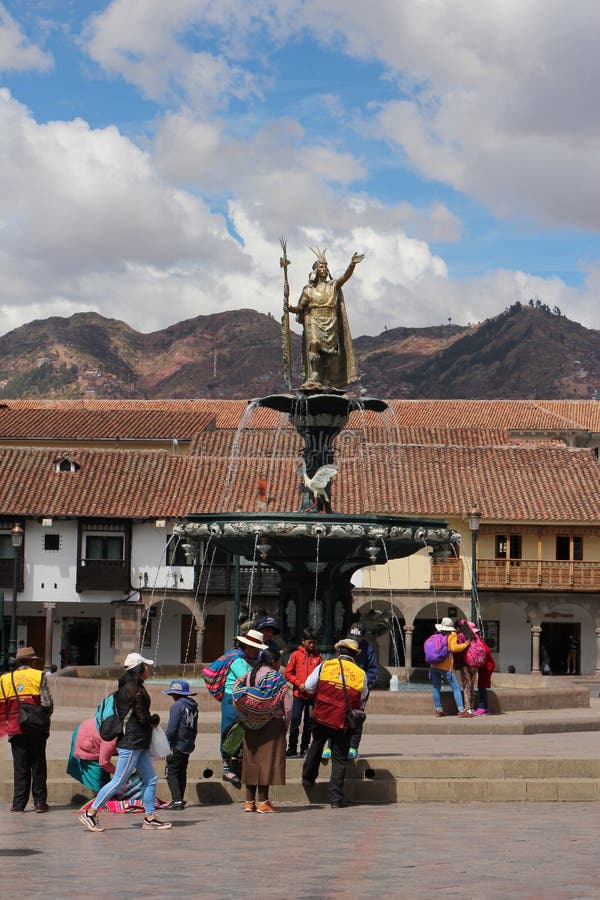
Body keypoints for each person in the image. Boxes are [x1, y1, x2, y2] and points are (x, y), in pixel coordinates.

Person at [79, 652, 171, 832]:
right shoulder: (133, 690)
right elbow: (142, 717)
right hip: (131, 742)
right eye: (146, 666)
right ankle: (90, 813)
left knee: (151, 779)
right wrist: (155, 718)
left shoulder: (130, 686)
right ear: (139, 669)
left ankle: (150, 817)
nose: (148, 668)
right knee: (119, 781)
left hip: (139, 742)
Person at [301, 637, 368, 809]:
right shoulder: (361, 674)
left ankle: (308, 779)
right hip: (343, 721)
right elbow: (362, 698)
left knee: (316, 745)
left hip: (321, 716)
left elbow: (308, 686)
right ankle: (335, 799)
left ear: (338, 652)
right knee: (339, 759)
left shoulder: (325, 665)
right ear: (355, 655)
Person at [287, 248, 362, 390]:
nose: (324, 269)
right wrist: (289, 308)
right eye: (321, 266)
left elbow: (345, 277)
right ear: (315, 270)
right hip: (313, 319)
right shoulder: (308, 289)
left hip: (330, 320)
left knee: (328, 352)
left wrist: (352, 264)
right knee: (314, 343)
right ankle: (314, 374)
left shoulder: (332, 285)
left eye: (326, 267)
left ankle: (326, 378)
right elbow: (300, 308)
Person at [0, 645, 53, 813]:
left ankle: (18, 804)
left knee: (20, 767)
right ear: (32, 661)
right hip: (36, 727)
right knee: (38, 764)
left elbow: (2, 708)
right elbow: (47, 703)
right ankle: (39, 803)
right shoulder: (39, 675)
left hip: (16, 727)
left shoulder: (5, 679)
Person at [241, 648, 292, 813]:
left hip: (250, 723)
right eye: (279, 661)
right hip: (272, 723)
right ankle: (263, 802)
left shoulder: (250, 675)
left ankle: (249, 802)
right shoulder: (277, 677)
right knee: (267, 762)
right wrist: (285, 725)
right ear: (274, 662)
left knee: (251, 760)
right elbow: (288, 707)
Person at [221, 629, 267, 785]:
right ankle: (226, 769)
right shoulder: (237, 660)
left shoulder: (249, 661)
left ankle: (239, 765)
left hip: (243, 699)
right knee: (229, 730)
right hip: (231, 699)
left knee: (241, 732)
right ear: (247, 647)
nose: (257, 652)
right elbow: (249, 680)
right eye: (255, 648)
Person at [67, 717, 145, 804]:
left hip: (93, 733)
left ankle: (99, 802)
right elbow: (103, 762)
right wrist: (119, 774)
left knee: (104, 780)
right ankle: (96, 805)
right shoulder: (111, 739)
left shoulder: (126, 734)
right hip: (86, 738)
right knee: (98, 780)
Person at [284, 629, 322, 758]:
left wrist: (315, 689)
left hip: (311, 696)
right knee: (295, 720)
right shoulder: (295, 655)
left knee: (309, 722)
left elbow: (320, 676)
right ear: (303, 641)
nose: (312, 645)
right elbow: (288, 673)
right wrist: (298, 684)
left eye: (314, 643)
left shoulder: (318, 658)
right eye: (309, 642)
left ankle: (305, 747)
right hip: (298, 695)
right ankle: (292, 748)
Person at [163, 678, 198, 809]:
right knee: (182, 772)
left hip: (177, 745)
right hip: (187, 745)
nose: (172, 696)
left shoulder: (177, 706)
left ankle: (176, 800)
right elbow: (195, 729)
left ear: (176, 694)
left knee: (170, 772)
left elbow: (172, 729)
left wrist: (166, 744)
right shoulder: (193, 706)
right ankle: (180, 799)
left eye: (172, 694)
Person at [346, 622, 378, 759]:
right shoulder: (343, 645)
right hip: (344, 686)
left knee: (357, 717)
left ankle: (353, 746)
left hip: (359, 688)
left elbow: (373, 670)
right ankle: (332, 745)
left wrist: (363, 683)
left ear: (363, 637)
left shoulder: (368, 648)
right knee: (337, 715)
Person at [428, 618, 471, 718]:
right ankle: (461, 710)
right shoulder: (452, 635)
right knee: (456, 687)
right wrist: (466, 644)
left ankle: (438, 710)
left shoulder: (435, 635)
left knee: (436, 687)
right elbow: (453, 648)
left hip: (433, 665)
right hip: (445, 666)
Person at [455, 619, 480, 716]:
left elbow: (459, 649)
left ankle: (468, 709)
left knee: (466, 686)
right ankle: (472, 707)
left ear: (459, 627)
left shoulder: (461, 636)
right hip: (475, 663)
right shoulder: (474, 635)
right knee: (472, 685)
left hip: (466, 663)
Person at [473, 628, 496, 715]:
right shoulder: (477, 640)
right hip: (484, 666)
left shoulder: (479, 640)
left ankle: (482, 707)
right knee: (483, 686)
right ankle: (484, 708)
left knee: (482, 686)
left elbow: (487, 650)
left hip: (487, 666)